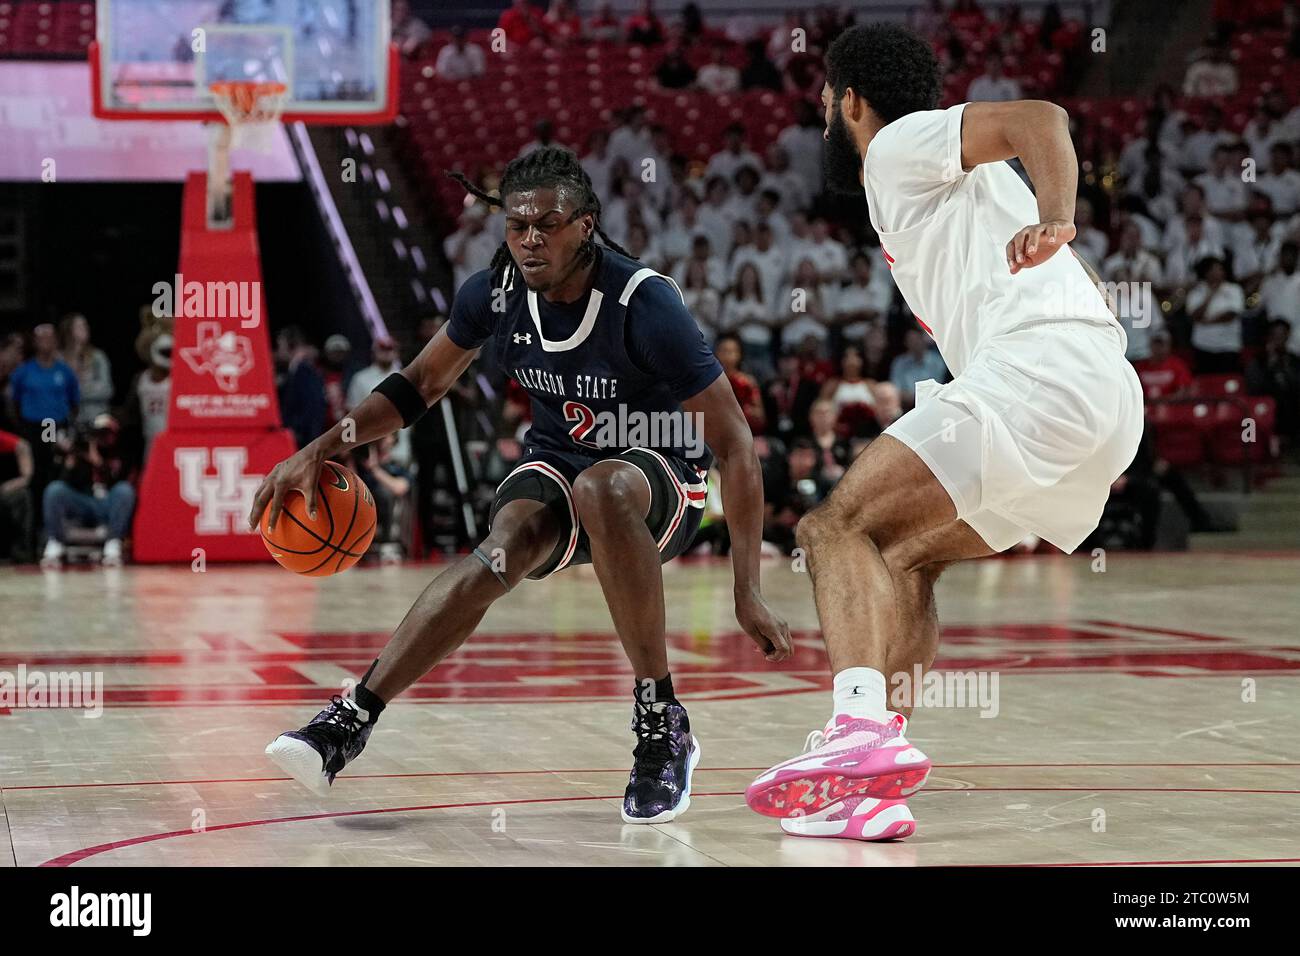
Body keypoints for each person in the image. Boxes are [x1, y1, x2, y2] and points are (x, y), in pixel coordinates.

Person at [254, 148, 789, 824]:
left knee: (604, 489)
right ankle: (349, 721)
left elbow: (736, 443)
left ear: (586, 226)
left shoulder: (643, 303)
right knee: (500, 548)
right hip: (559, 463)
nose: (531, 240)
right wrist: (324, 446)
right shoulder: (494, 295)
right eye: (517, 226)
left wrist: (747, 588)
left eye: (548, 225)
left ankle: (661, 720)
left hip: (662, 478)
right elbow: (421, 384)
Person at [746, 24, 1144, 843]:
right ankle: (876, 779)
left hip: (1040, 378)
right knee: (904, 554)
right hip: (1101, 399)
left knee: (833, 527)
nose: (825, 117)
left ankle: (854, 735)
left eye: (826, 103)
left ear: (851, 101)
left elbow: (1043, 115)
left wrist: (1059, 218)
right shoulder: (950, 178)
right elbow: (1089, 290)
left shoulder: (892, 147)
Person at [41, 414, 136, 568]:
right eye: (100, 433)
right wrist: (70, 465)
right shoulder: (81, 451)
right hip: (84, 502)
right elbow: (66, 483)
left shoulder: (122, 453)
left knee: (125, 490)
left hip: (108, 503)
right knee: (54, 490)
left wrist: (98, 462)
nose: (104, 437)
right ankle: (55, 542)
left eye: (108, 433)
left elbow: (120, 481)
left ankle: (113, 544)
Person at [59, 313, 113, 426]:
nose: (86, 329)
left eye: (86, 325)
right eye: (80, 326)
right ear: (68, 331)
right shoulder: (59, 359)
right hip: (68, 421)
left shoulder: (98, 357)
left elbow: (106, 390)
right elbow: (56, 391)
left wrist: (75, 391)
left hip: (95, 419)